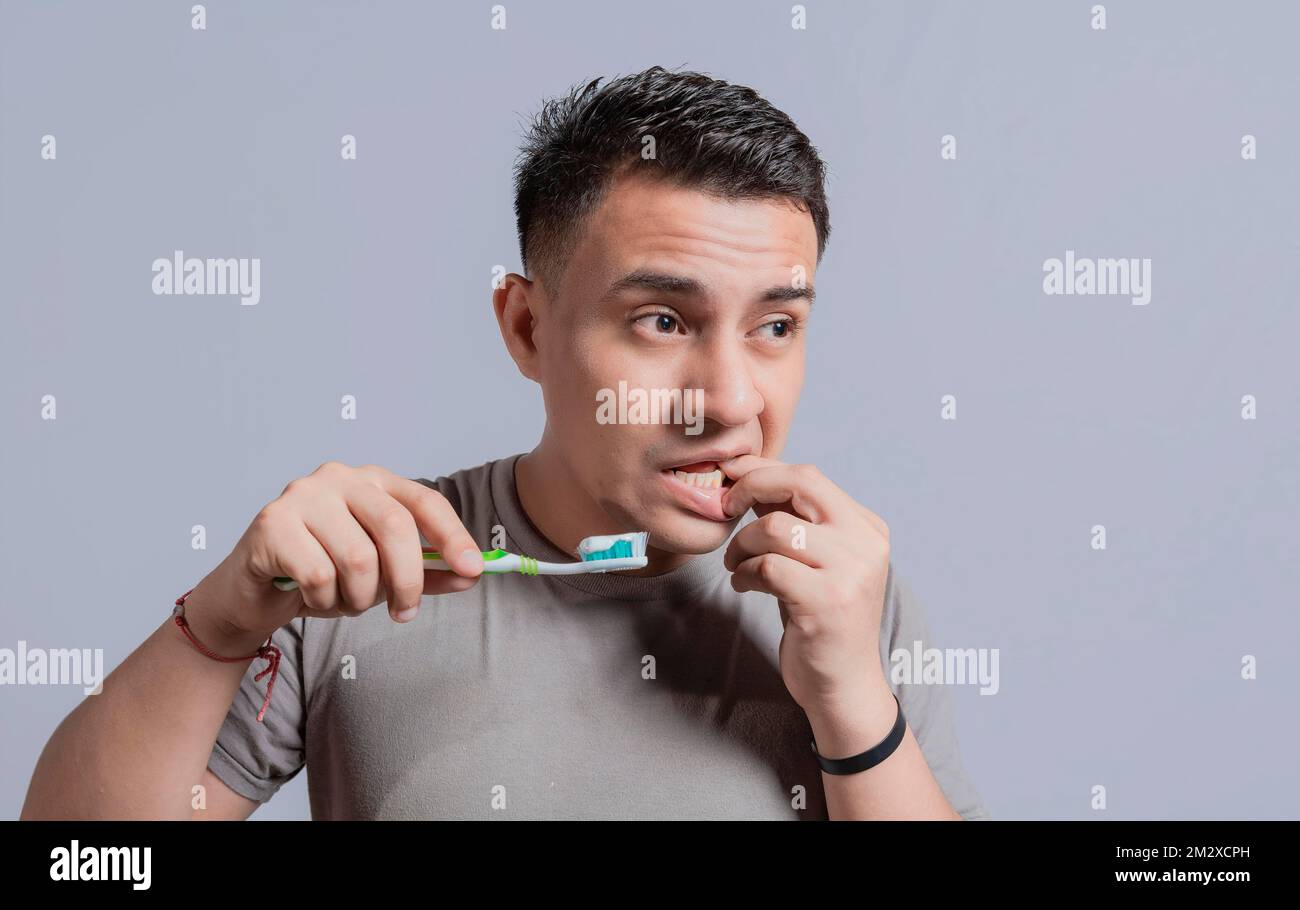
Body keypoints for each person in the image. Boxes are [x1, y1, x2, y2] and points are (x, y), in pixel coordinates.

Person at [22, 66, 988, 820]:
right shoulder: (364, 572)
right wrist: (222, 624)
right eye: (661, 320)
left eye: (776, 326)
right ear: (527, 327)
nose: (731, 402)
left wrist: (855, 704)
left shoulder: (847, 598)